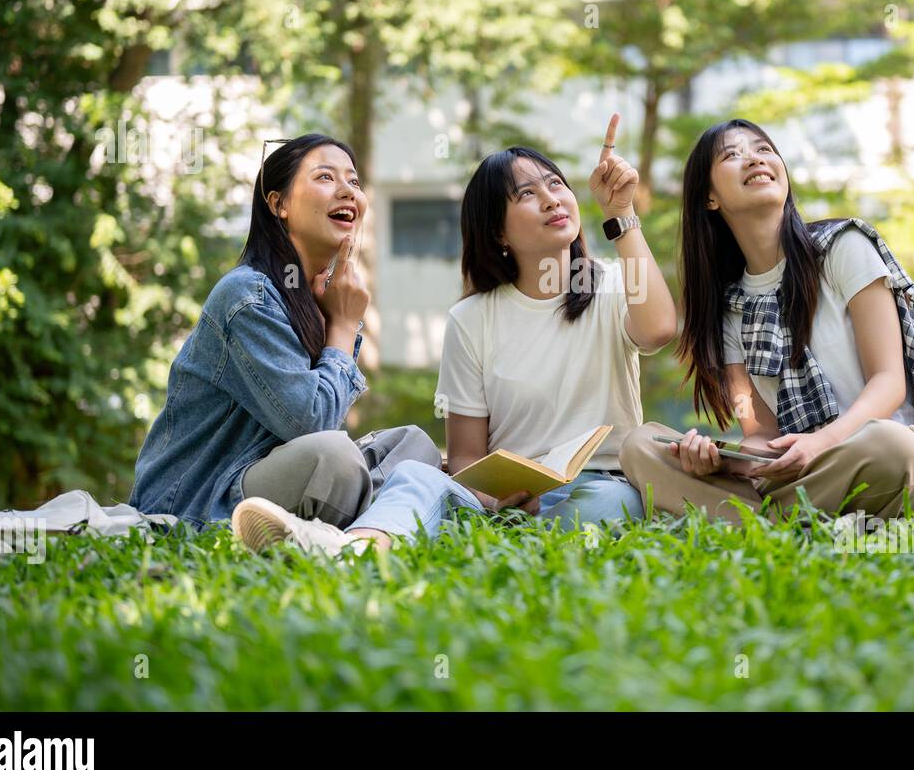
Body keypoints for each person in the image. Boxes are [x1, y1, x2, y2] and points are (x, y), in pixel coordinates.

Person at [233, 114, 676, 556]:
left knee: (609, 501)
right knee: (418, 475)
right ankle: (354, 551)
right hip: (508, 503)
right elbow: (465, 457)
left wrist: (621, 213)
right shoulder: (472, 318)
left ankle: (507, 545)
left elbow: (658, 330)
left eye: (556, 184)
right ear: (498, 231)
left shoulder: (615, 284)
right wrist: (497, 498)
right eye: (526, 193)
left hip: (601, 485)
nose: (551, 199)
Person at [618, 119, 914, 524]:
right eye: (732, 154)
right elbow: (761, 433)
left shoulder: (843, 247)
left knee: (894, 448)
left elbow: (889, 383)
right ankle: (798, 522)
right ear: (709, 198)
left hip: (883, 456)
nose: (754, 158)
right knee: (640, 445)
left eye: (763, 149)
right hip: (802, 477)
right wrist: (717, 462)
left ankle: (759, 524)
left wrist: (820, 443)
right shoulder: (729, 308)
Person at [130, 134, 441, 529]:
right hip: (198, 498)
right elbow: (310, 425)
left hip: (264, 478)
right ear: (279, 204)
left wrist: (333, 319)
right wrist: (344, 327)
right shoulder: (248, 296)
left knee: (413, 444)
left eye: (354, 181)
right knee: (335, 460)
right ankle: (389, 510)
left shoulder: (314, 298)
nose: (347, 190)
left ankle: (373, 510)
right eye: (326, 177)